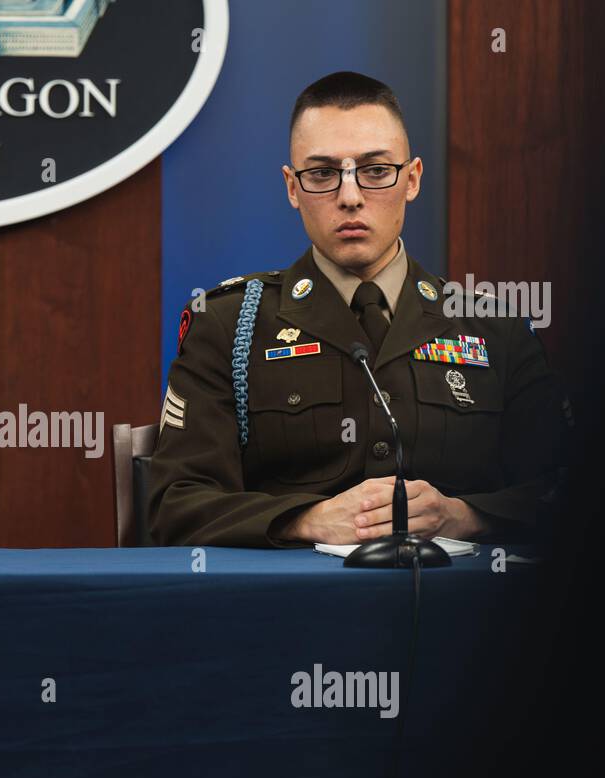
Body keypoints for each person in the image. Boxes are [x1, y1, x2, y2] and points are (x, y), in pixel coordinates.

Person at [148, 72, 569, 548]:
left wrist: (462, 515)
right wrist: (304, 520)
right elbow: (172, 504)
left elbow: (567, 487)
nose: (349, 197)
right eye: (323, 174)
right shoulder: (228, 325)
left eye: (375, 170)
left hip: (460, 608)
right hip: (285, 609)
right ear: (292, 188)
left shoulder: (495, 328)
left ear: (411, 179)